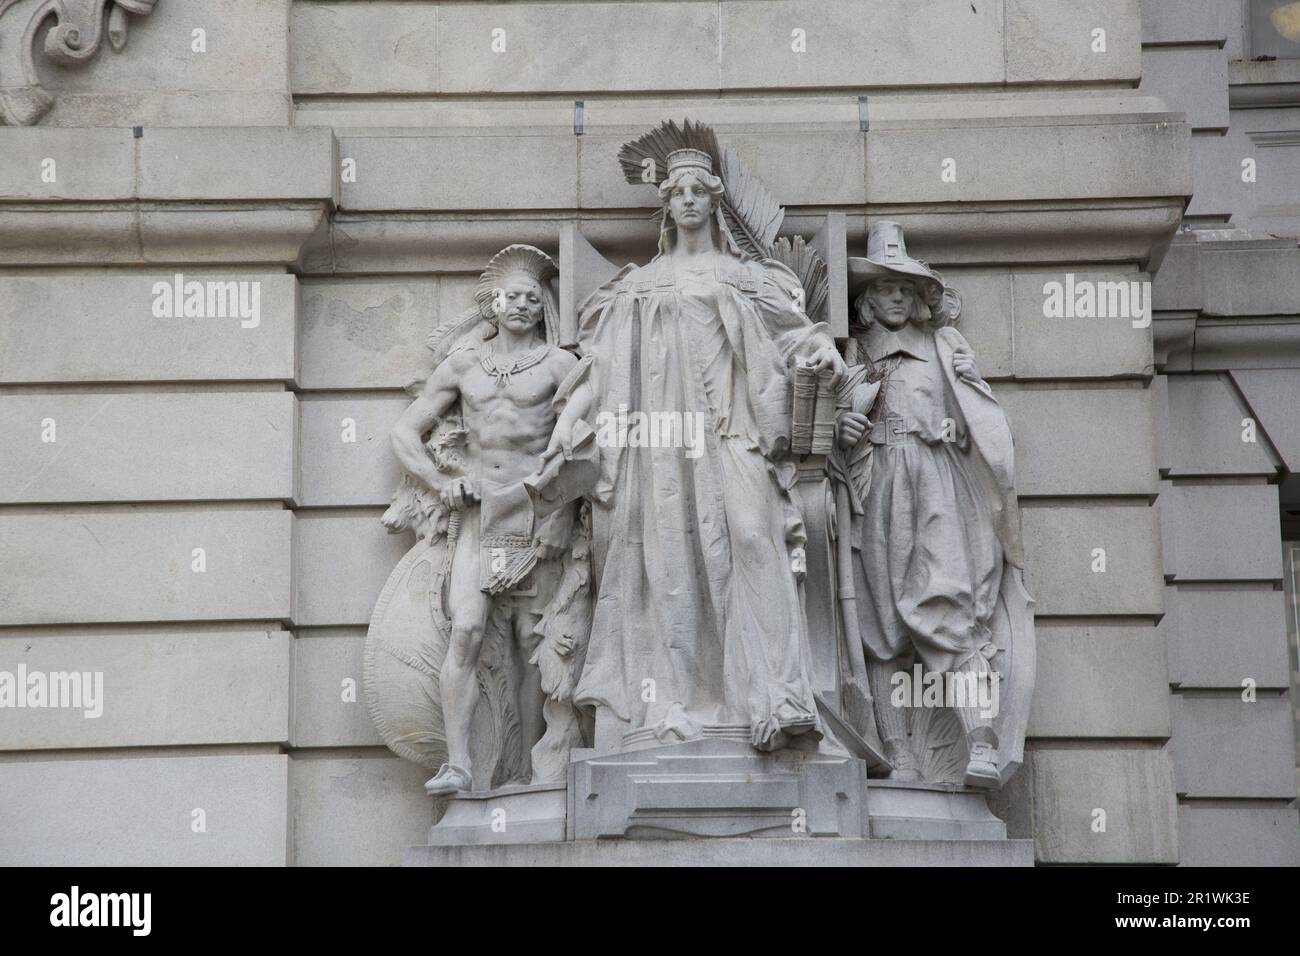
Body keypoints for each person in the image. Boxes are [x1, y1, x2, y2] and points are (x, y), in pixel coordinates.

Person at [543, 147, 846, 752]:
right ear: (666, 206)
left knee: (755, 540)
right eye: (677, 191)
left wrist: (822, 352)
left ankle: (777, 694)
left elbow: (796, 337)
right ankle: (676, 702)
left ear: (715, 202)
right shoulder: (636, 286)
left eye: (698, 191)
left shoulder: (747, 278)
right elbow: (595, 366)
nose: (687, 200)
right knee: (669, 566)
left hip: (734, 433)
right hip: (660, 447)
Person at [837, 221, 1026, 789]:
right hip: (874, 487)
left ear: (920, 298)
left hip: (936, 487)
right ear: (866, 300)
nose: (894, 296)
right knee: (880, 624)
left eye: (904, 288)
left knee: (948, 603)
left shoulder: (945, 349)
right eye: (882, 287)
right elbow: (832, 433)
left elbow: (983, 429)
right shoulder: (850, 354)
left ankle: (983, 741)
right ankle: (897, 752)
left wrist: (965, 410)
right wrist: (843, 427)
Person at [390, 245, 581, 796]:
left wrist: (563, 510)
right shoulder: (465, 365)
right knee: (467, 628)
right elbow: (406, 431)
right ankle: (459, 763)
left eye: (530, 297)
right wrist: (442, 481)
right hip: (478, 514)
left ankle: (528, 771)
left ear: (542, 306)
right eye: (510, 296)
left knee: (529, 639)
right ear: (492, 305)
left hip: (533, 512)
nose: (521, 304)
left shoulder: (558, 365)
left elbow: (585, 444)